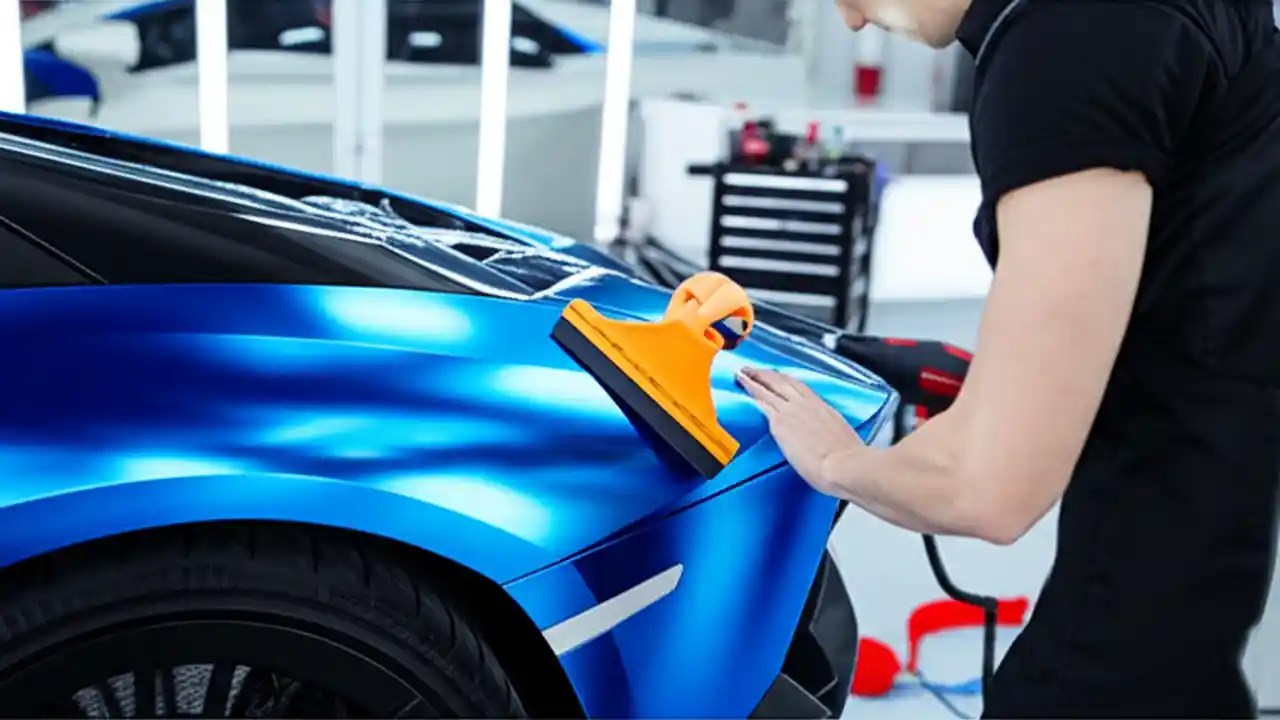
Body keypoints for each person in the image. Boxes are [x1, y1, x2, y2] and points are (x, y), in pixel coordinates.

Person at [738, 0, 1280, 716]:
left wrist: (840, 465)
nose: (851, 21)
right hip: (1219, 576)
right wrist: (1018, 386)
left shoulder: (1069, 40)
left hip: (1137, 624)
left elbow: (988, 490)